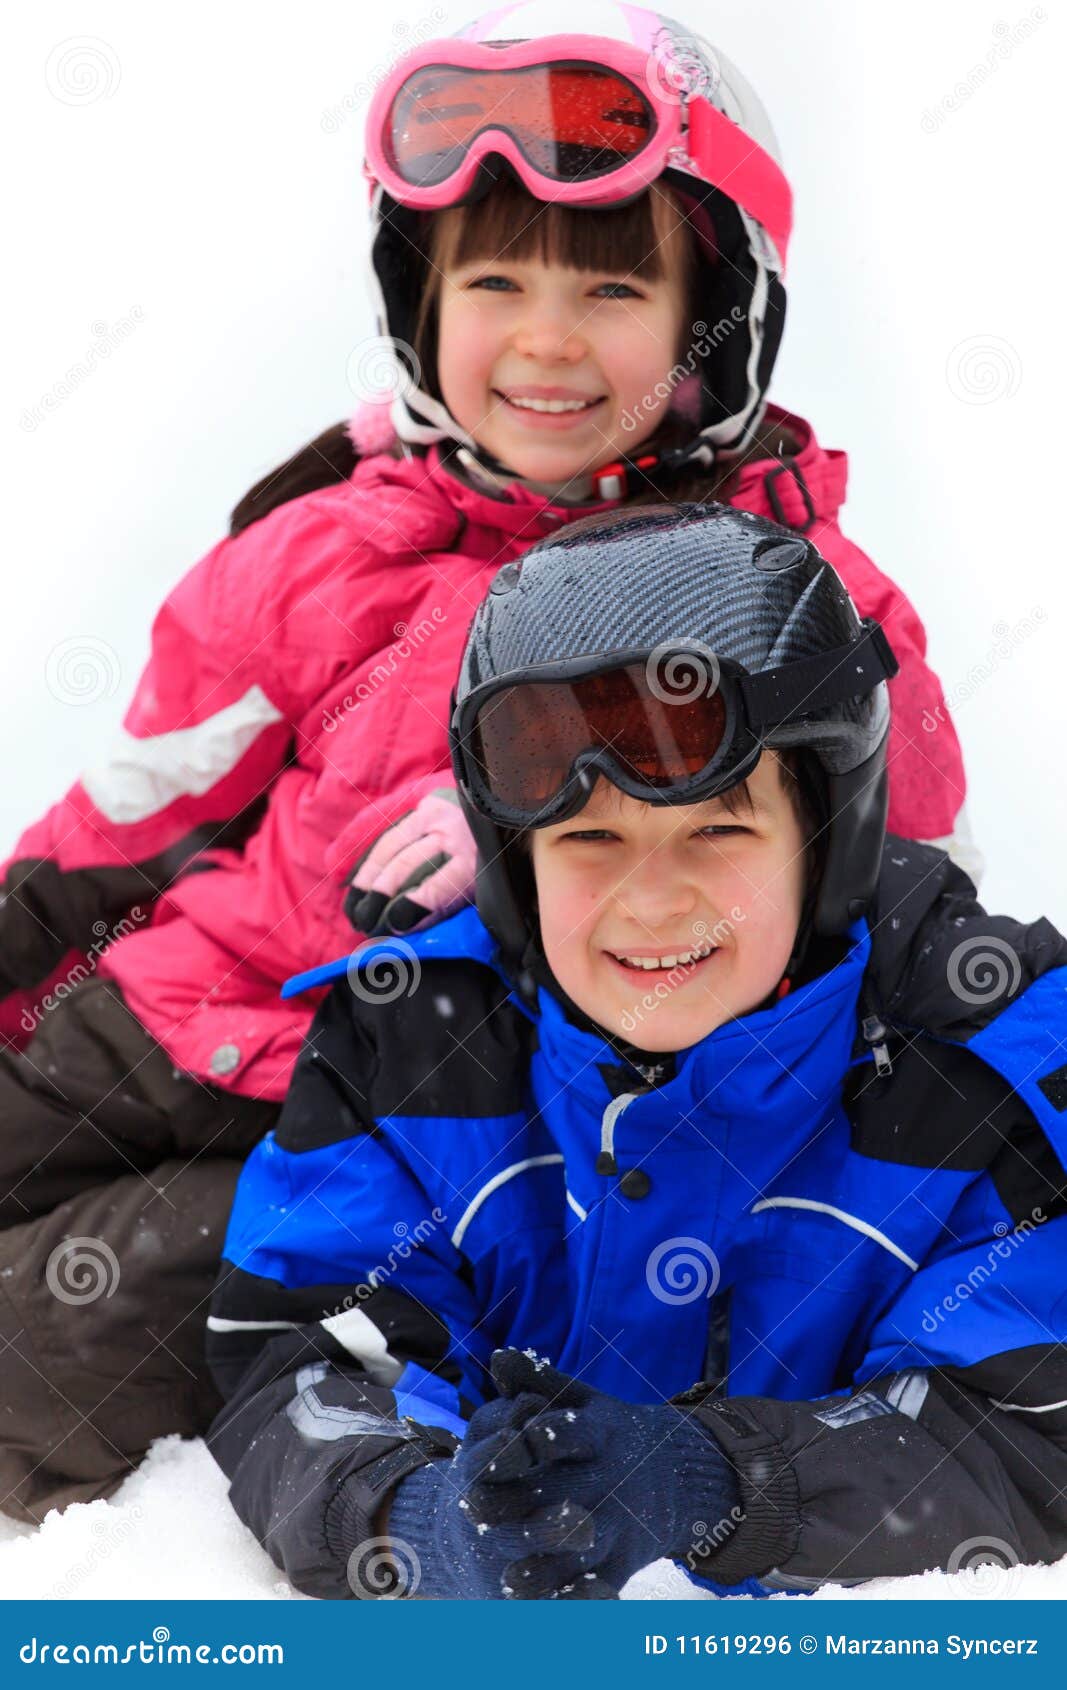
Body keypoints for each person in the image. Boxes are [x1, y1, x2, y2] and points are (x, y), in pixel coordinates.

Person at [0, 3, 974, 1522]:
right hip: (163, 1007)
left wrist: (556, 791)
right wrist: (28, 936)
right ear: (417, 296)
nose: (542, 335)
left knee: (63, 1331)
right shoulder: (323, 541)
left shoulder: (766, 578)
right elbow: (140, 801)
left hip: (368, 1114)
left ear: (713, 317)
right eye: (495, 278)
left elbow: (894, 810)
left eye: (609, 284)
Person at [206, 504, 1067, 1602]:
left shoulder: (980, 1070)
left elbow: (1025, 1428)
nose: (649, 899)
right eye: (588, 840)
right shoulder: (413, 1037)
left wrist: (715, 1485)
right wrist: (418, 1515)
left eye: (716, 829)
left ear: (827, 839)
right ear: (515, 866)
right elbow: (297, 1351)